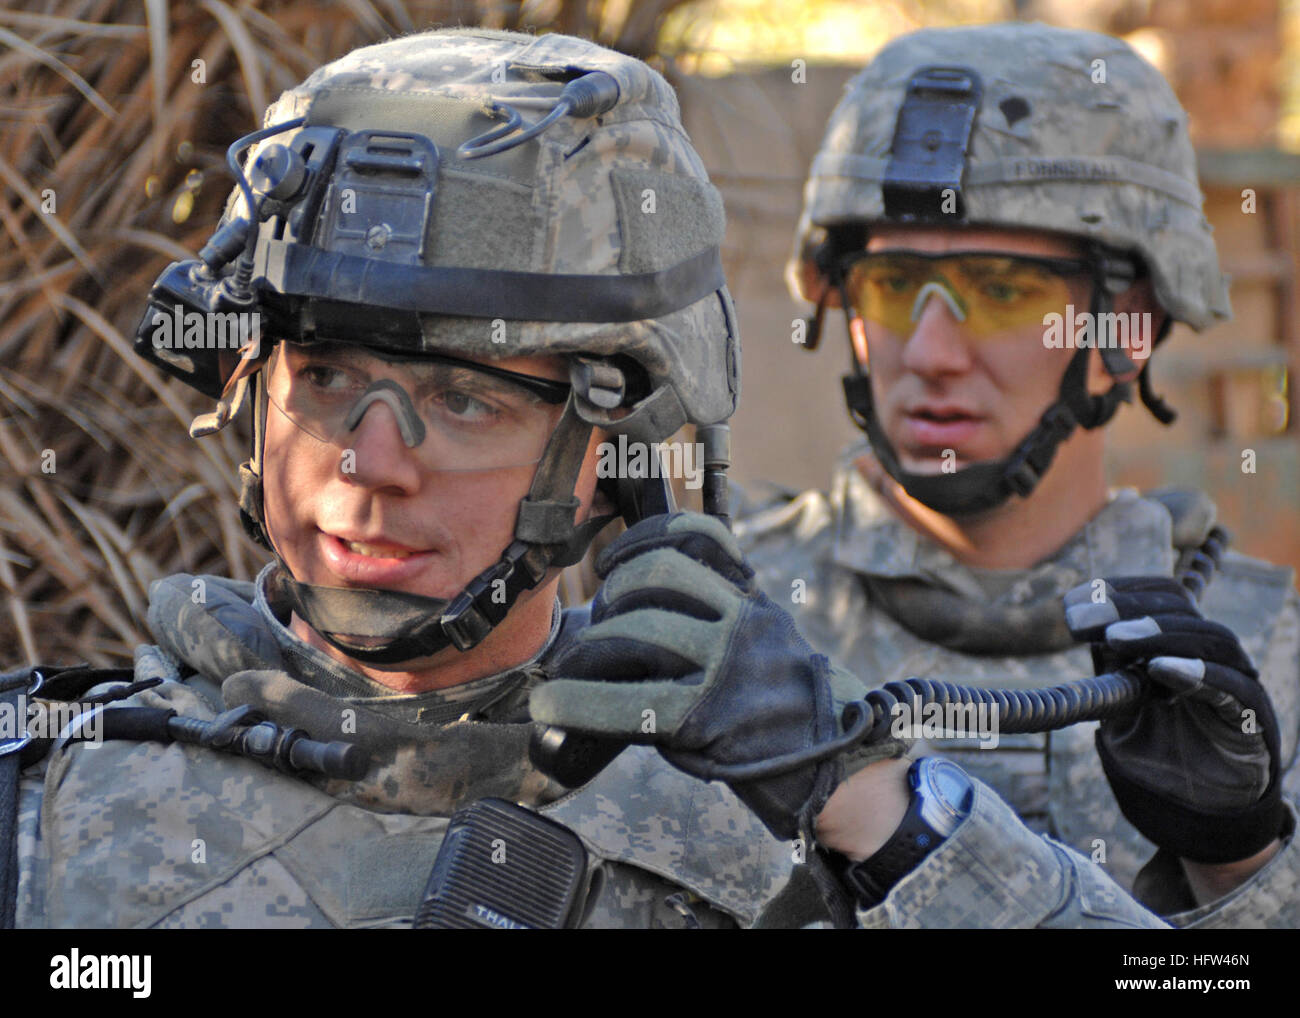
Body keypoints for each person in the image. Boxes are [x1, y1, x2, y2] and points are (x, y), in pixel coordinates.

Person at [5, 27, 1165, 930]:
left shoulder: (779, 834)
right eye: (325, 377)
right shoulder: (52, 808)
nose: (370, 464)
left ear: (610, 451)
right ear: (250, 396)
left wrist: (862, 797)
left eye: (466, 399)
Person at [725, 21, 1296, 927]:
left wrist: (1239, 867)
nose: (932, 351)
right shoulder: (728, 625)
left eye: (1002, 292)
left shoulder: (1269, 661)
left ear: (1125, 331)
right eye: (893, 286)